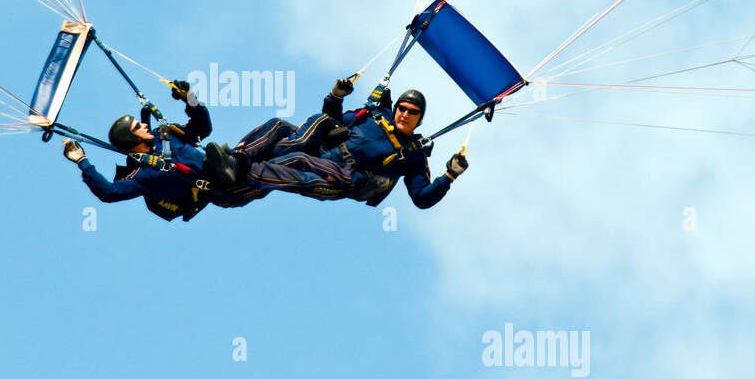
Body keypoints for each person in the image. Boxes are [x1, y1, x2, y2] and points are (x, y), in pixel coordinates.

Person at [204, 79, 468, 209]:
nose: (405, 114)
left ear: (420, 119)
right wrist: (335, 97)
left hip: (344, 177)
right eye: (402, 108)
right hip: (319, 152)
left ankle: (234, 186)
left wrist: (449, 176)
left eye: (412, 112)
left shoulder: (413, 154)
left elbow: (421, 198)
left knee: (293, 162)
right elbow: (333, 120)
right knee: (280, 125)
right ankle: (235, 161)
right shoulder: (374, 115)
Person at [61, 80, 291, 221]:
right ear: (132, 139)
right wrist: (82, 161)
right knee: (292, 163)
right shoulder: (144, 175)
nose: (143, 125)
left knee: (278, 127)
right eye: (136, 127)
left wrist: (190, 99)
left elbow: (203, 128)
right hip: (228, 191)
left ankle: (323, 138)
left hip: (233, 163)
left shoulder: (166, 137)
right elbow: (109, 192)